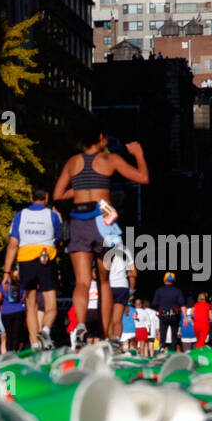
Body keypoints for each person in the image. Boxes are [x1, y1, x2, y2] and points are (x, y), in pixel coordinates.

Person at [52, 118, 148, 350]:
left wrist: (81, 188)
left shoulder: (73, 162)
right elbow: (143, 178)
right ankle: (106, 336)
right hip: (101, 217)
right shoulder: (109, 159)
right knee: (104, 280)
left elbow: (57, 194)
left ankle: (82, 324)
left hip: (78, 218)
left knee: (82, 282)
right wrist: (139, 154)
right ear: (101, 138)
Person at [3, 189, 61, 350]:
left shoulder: (20, 215)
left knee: (31, 306)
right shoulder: (53, 215)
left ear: (30, 198)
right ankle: (46, 330)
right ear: (47, 197)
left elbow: (13, 245)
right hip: (45, 260)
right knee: (51, 306)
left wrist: (7, 272)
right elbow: (59, 239)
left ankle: (35, 344)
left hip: (25, 261)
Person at [106, 239, 135, 345]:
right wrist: (131, 290)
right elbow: (133, 273)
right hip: (122, 286)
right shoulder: (126, 250)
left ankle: (109, 342)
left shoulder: (103, 248)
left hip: (108, 286)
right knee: (117, 320)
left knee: (108, 318)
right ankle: (117, 342)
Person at [0, 270, 26, 352]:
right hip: (19, 311)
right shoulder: (21, 285)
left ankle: (9, 354)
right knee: (16, 335)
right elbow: (24, 297)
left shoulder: (2, 286)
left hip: (6, 312)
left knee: (8, 335)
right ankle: (14, 353)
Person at [152, 272, 185, 351]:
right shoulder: (178, 291)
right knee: (174, 336)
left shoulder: (159, 290)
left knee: (163, 335)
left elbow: (154, 304)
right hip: (174, 315)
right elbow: (182, 304)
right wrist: (185, 317)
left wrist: (158, 309)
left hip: (163, 315)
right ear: (173, 280)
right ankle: (172, 352)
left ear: (164, 280)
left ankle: (162, 349)